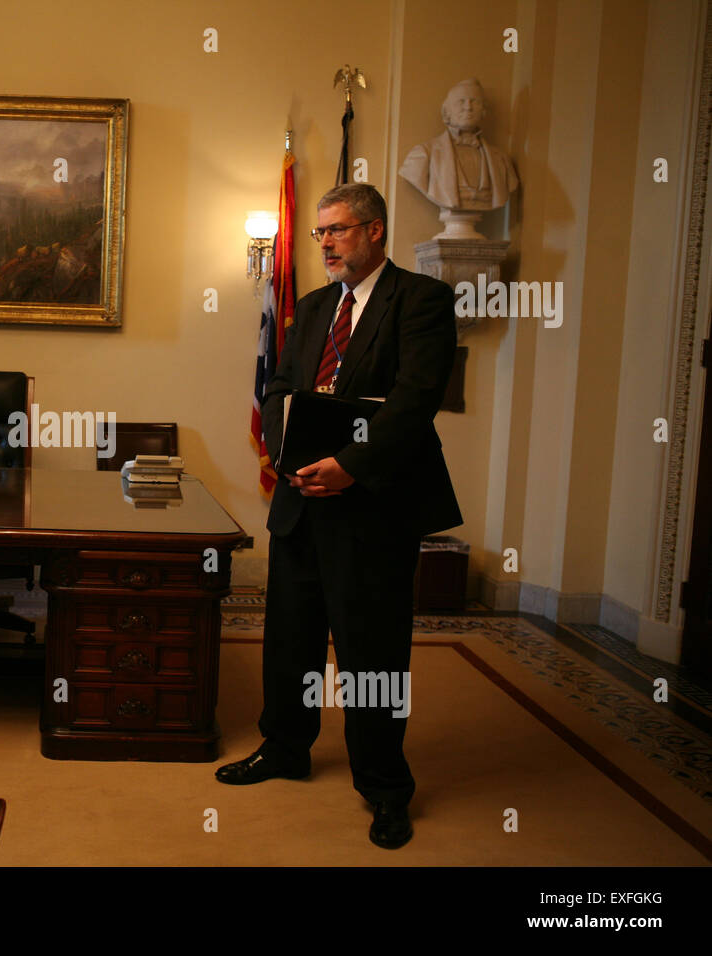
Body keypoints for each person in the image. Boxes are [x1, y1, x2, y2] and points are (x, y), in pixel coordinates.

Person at [217, 184, 462, 849]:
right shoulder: (315, 307)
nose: (325, 242)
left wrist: (350, 464)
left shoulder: (422, 300)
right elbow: (276, 385)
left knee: (371, 653)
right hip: (301, 498)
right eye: (321, 232)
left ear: (375, 231)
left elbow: (414, 400)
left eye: (339, 230)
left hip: (374, 504)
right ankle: (285, 748)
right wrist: (280, 448)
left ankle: (384, 787)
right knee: (289, 639)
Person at [399, 78, 518, 212]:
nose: (468, 107)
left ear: (484, 110)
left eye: (475, 102)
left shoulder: (501, 160)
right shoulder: (422, 155)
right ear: (447, 111)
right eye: (461, 102)